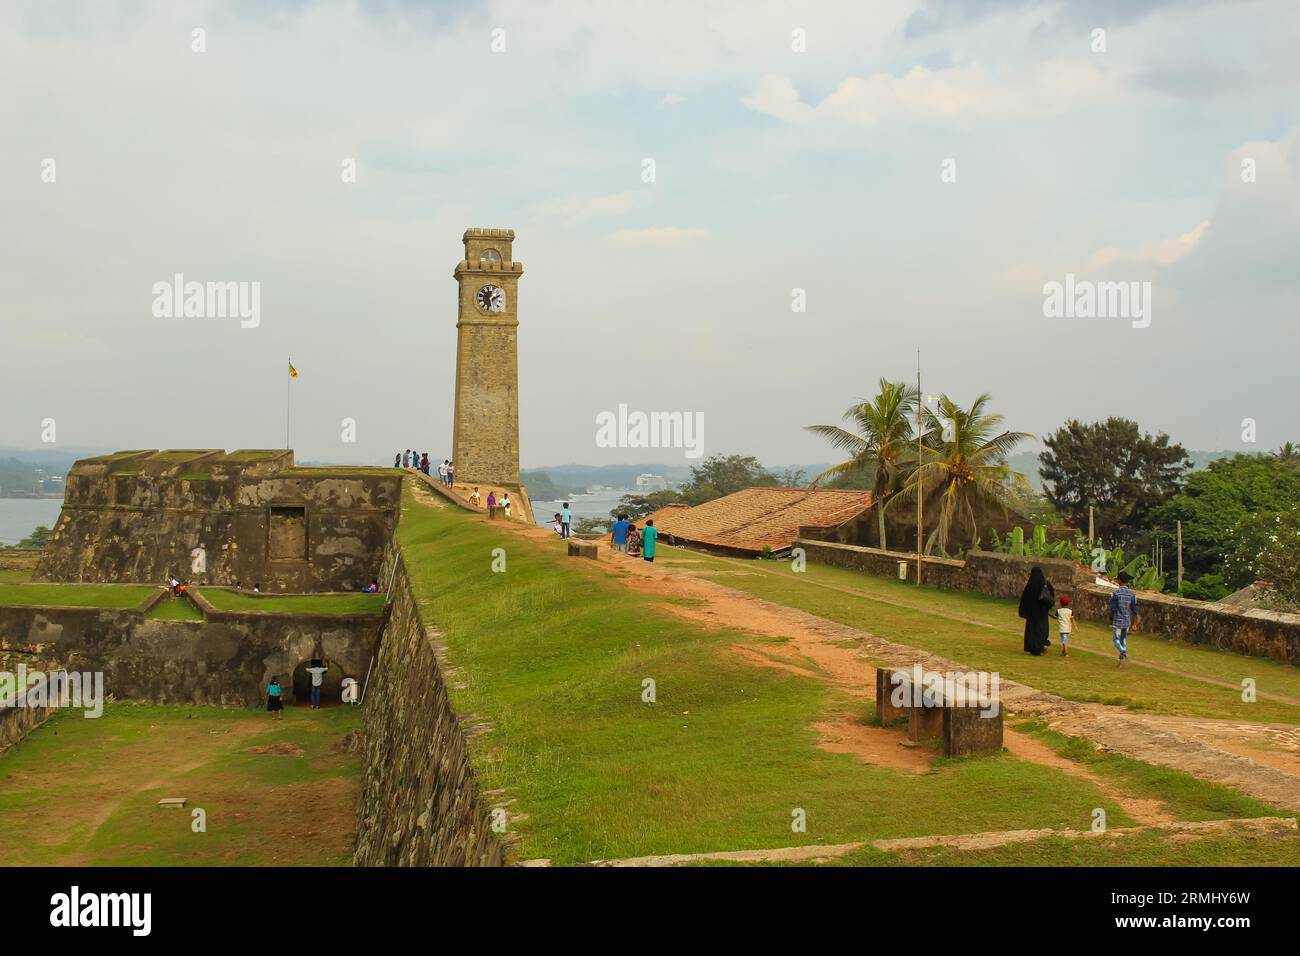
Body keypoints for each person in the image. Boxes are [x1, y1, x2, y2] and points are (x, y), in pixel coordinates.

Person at [1018, 566, 1054, 656]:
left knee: (1031, 631)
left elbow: (1024, 599)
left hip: (1032, 613)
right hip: (1041, 612)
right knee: (1041, 630)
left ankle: (1032, 647)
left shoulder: (1030, 586)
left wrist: (1024, 611)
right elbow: (1050, 597)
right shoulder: (1045, 584)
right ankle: (1040, 647)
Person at [1110, 571, 1139, 666]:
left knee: (1116, 640)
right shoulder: (1132, 595)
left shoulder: (1115, 593)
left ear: (1119, 580)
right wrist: (1134, 624)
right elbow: (1134, 611)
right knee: (1123, 640)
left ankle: (1123, 652)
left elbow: (1113, 609)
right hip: (1127, 622)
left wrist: (1111, 619)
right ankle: (1121, 662)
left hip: (1117, 621)